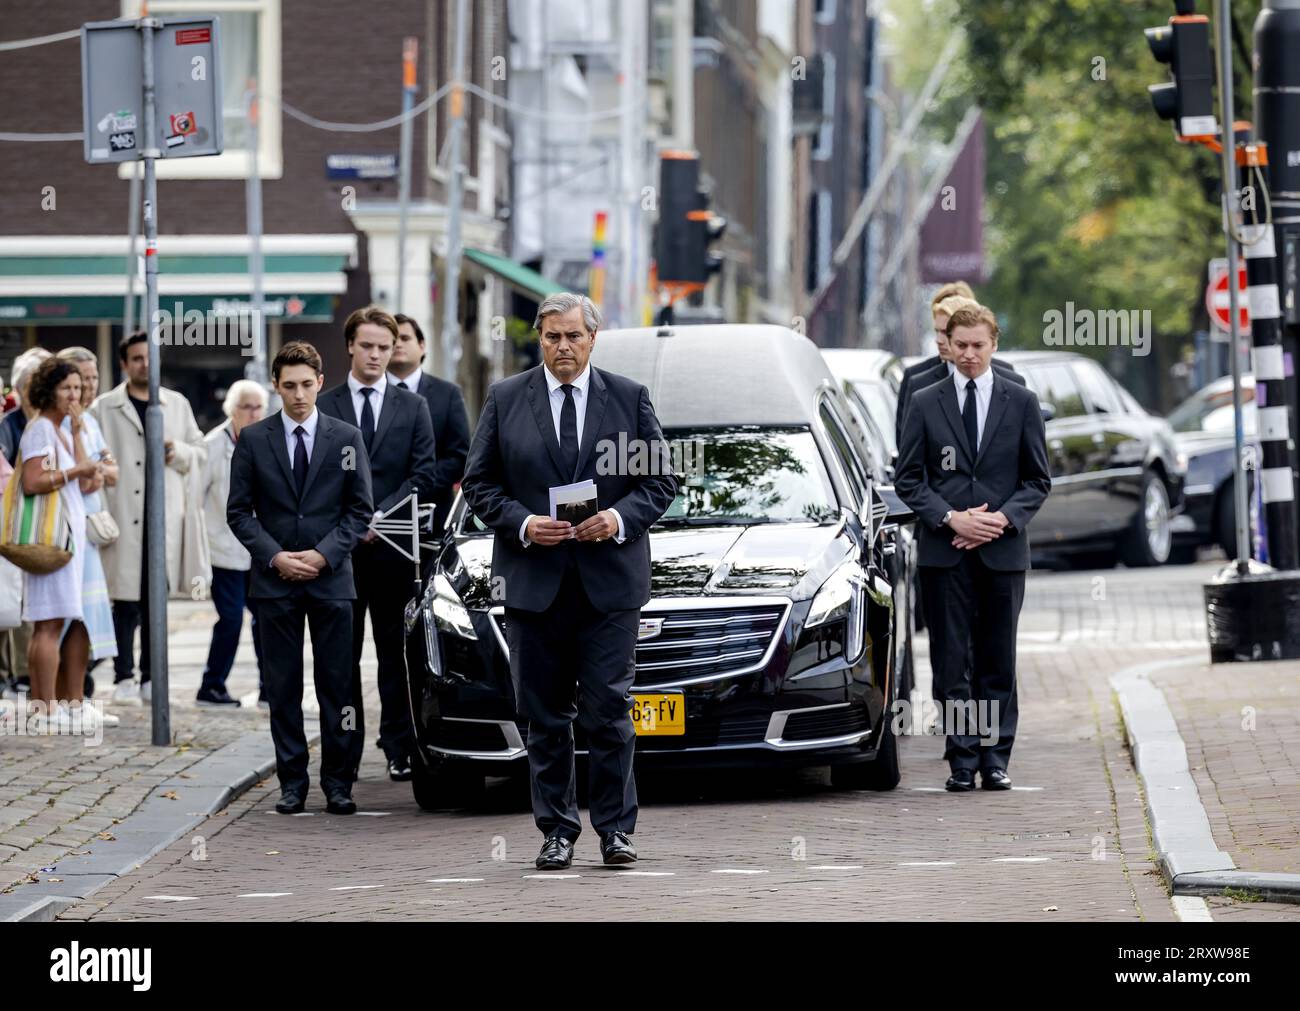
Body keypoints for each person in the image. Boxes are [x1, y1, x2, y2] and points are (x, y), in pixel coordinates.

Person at [462, 292, 677, 870]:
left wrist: (619, 518)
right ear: (540, 339)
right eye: (552, 337)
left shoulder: (628, 399)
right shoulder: (507, 399)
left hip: (609, 585)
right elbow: (479, 485)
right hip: (534, 585)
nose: (562, 347)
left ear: (592, 339)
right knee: (544, 714)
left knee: (608, 709)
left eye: (572, 337)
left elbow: (660, 482)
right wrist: (525, 524)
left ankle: (614, 830)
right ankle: (556, 829)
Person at [893, 302, 1052, 792]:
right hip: (946, 553)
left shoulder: (1021, 401)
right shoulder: (924, 400)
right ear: (946, 346)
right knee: (950, 659)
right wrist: (949, 517)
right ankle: (962, 759)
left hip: (1002, 552)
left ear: (993, 344)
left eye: (977, 346)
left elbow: (1037, 478)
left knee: (997, 657)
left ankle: (995, 757)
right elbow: (909, 479)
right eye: (959, 345)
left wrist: (1000, 520)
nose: (968, 355)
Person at [227, 341, 373, 815]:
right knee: (282, 686)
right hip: (275, 583)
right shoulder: (253, 439)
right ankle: (292, 783)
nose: (299, 395)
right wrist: (275, 557)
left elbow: (359, 511)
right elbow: (239, 513)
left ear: (320, 379)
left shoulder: (346, 438)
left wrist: (323, 554)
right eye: (289, 386)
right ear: (276, 385)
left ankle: (338, 782)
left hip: (331, 580)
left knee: (338, 686)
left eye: (307, 385)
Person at [317, 306, 437, 781]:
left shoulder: (414, 406)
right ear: (350, 346)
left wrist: (379, 514)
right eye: (366, 346)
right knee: (339, 659)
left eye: (384, 348)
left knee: (396, 655)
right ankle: (343, 758)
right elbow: (318, 476)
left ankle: (399, 747)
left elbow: (423, 472)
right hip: (339, 553)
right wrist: (352, 521)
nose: (375, 355)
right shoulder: (325, 405)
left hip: (392, 551)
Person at [90, 331, 206, 705]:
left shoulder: (176, 403)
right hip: (122, 514)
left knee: (157, 600)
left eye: (149, 358)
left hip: (163, 518)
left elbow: (200, 450)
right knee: (123, 602)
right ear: (124, 364)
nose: (144, 364)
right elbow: (94, 454)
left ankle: (152, 678)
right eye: (136, 358)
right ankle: (123, 676)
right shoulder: (105, 407)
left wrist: (179, 452)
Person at [15, 358, 107, 733]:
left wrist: (80, 434)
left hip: (69, 537)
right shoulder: (39, 429)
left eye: (77, 387)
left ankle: (51, 708)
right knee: (48, 622)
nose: (75, 394)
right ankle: (44, 709)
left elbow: (87, 481)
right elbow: (34, 481)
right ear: (48, 390)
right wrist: (75, 471)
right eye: (66, 387)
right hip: (49, 537)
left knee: (61, 618)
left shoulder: (64, 428)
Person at [198, 379, 269, 708]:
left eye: (258, 407)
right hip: (222, 550)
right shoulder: (213, 445)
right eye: (246, 407)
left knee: (265, 619)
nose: (253, 413)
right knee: (230, 619)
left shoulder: (268, 441)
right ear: (232, 410)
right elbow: (195, 499)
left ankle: (269, 687)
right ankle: (211, 686)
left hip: (258, 551)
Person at [55, 348, 120, 700]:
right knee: (59, 619)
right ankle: (53, 701)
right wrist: (96, 470)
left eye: (92, 379)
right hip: (66, 532)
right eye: (78, 381)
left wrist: (98, 470)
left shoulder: (90, 422)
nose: (85, 389)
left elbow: (113, 470)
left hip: (90, 530)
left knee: (84, 619)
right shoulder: (59, 424)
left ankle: (76, 699)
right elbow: (84, 477)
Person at [895, 285, 1022, 436]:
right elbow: (908, 448)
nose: (939, 340)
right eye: (937, 331)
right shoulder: (919, 385)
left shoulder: (1012, 384)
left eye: (946, 332)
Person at [0, 348, 51, 701]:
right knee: (14, 607)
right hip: (17, 527)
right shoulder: (10, 425)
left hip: (40, 527)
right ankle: (17, 677)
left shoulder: (54, 423)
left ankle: (26, 679)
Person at [391, 314, 470, 538]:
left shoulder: (448, 394)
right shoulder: (369, 399)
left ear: (422, 345)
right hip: (376, 522)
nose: (397, 344)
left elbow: (460, 456)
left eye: (404, 338)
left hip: (432, 517)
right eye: (392, 339)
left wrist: (412, 489)